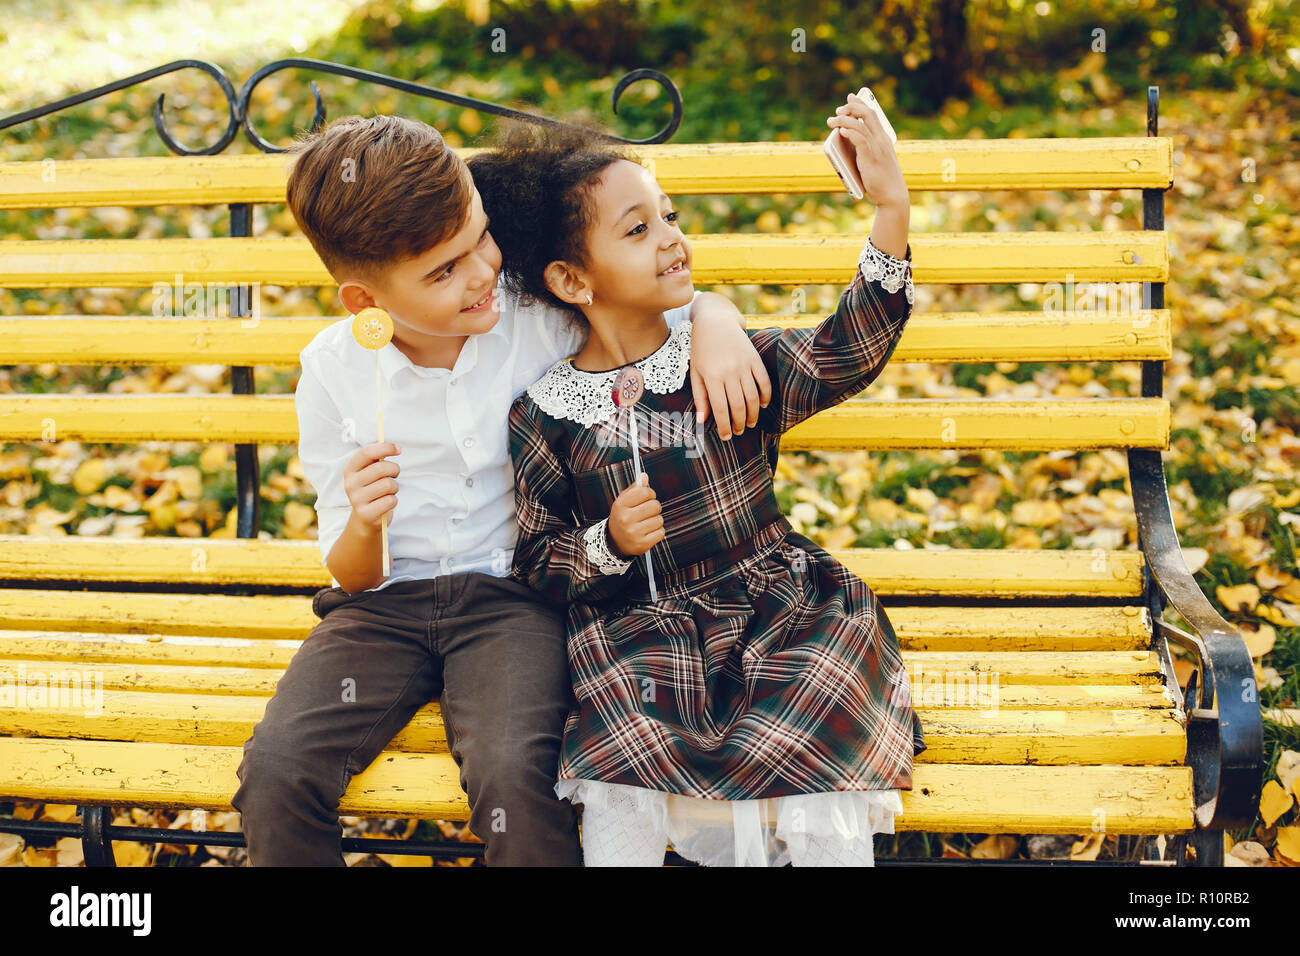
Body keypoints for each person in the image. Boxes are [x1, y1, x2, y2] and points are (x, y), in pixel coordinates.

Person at [231, 113, 772, 866]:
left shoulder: (537, 316)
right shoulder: (332, 371)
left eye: (479, 237)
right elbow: (351, 573)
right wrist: (363, 520)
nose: (483, 271)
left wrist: (715, 317)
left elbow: (671, 307)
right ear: (364, 305)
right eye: (443, 272)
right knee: (278, 771)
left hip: (513, 600)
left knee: (515, 777)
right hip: (379, 611)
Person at [473, 93, 926, 867]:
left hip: (777, 606)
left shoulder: (728, 361)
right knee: (624, 740)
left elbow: (846, 352)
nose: (674, 239)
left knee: (819, 684)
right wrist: (607, 543)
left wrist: (892, 209)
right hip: (638, 629)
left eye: (671, 216)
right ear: (574, 281)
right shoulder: (544, 417)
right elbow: (539, 558)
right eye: (640, 229)